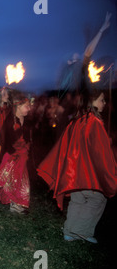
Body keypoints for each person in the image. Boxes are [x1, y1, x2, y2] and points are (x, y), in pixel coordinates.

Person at [37, 68, 117, 244]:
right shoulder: (94, 122)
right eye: (102, 100)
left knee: (77, 200)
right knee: (98, 199)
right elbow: (99, 153)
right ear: (93, 101)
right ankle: (82, 231)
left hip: (75, 173)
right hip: (89, 173)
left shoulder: (79, 119)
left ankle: (69, 231)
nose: (104, 103)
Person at [0, 91, 32, 214]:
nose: (29, 108)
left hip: (22, 156)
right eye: (26, 106)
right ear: (18, 106)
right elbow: (6, 140)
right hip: (10, 155)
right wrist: (13, 152)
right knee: (2, 177)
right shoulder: (10, 121)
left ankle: (15, 204)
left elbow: (28, 138)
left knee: (18, 179)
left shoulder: (27, 121)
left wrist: (27, 148)